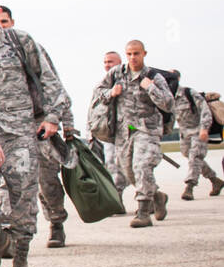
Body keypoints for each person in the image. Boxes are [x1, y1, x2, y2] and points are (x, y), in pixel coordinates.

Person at [0, 0, 70, 267]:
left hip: (22, 133)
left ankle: (21, 257)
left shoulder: (20, 42)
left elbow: (49, 79)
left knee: (23, 195)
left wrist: (51, 117)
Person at [96, 40, 173, 228]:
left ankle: (143, 212)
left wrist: (151, 88)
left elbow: (169, 104)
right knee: (129, 171)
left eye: (136, 53)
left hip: (147, 130)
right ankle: (157, 196)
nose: (133, 57)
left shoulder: (153, 76)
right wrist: (111, 93)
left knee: (142, 166)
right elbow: (98, 93)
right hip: (125, 131)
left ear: (144, 54)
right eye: (129, 54)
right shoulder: (116, 74)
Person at [91, 50, 129, 209]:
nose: (108, 65)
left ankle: (152, 196)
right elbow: (94, 109)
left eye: (111, 62)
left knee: (133, 166)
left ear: (120, 63)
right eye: (105, 62)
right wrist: (91, 132)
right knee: (112, 164)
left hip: (129, 130)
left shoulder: (128, 80)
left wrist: (133, 129)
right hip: (109, 133)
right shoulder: (103, 83)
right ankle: (117, 200)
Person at [172, 80, 222, 200]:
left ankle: (190, 187)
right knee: (189, 155)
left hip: (198, 131)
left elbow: (205, 112)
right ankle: (215, 180)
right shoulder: (167, 97)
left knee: (195, 157)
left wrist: (204, 129)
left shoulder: (189, 93)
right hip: (184, 134)